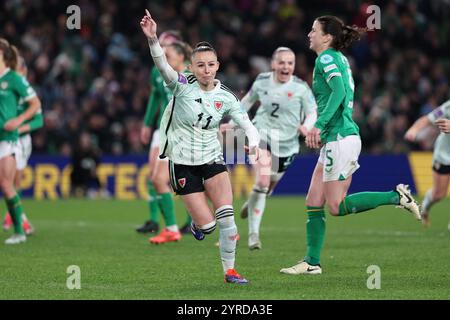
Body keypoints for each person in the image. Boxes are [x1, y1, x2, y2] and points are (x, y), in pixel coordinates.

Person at [279, 16, 421, 275]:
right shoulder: (338, 58)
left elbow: (340, 92)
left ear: (327, 37)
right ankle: (312, 262)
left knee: (336, 207)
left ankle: (395, 197)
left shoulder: (326, 58)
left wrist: (319, 124)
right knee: (313, 199)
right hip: (339, 138)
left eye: (314, 30)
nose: (309, 34)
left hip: (339, 139)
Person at [140, 9, 260, 283]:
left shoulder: (226, 96)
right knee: (207, 226)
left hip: (212, 160)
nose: (206, 70)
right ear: (191, 68)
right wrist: (152, 39)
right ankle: (197, 223)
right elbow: (162, 65)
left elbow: (247, 123)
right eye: (201, 65)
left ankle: (230, 271)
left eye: (211, 64)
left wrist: (253, 144)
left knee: (227, 217)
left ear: (217, 65)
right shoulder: (181, 85)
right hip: (182, 162)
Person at [230, 47, 317, 250]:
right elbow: (246, 102)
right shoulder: (262, 81)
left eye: (290, 63)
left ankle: (252, 201)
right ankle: (253, 235)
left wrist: (306, 126)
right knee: (261, 179)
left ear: (294, 66)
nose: (285, 66)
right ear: (273, 64)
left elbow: (313, 112)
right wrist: (235, 124)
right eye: (282, 62)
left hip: (287, 145)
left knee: (266, 188)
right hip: (262, 136)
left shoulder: (301, 88)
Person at [137, 30, 192, 236]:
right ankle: (159, 222)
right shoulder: (157, 71)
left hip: (184, 132)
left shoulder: (190, 73)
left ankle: (190, 222)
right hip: (164, 129)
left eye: (166, 47)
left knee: (191, 179)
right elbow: (154, 97)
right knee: (156, 177)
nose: (161, 49)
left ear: (179, 51)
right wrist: (146, 123)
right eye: (160, 45)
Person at [0, 38, 41, 244]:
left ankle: (19, 229)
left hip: (9, 140)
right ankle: (19, 225)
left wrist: (18, 121)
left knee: (8, 185)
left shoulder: (14, 79)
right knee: (8, 185)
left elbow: (36, 108)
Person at [405, 100, 450, 228]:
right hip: (445, 156)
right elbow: (427, 119)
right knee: (439, 194)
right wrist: (414, 129)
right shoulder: (448, 107)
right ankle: (425, 207)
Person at [70, 132, 103, 198]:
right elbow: (75, 167)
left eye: (87, 140)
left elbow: (97, 164)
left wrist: (94, 169)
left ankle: (99, 192)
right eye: (84, 140)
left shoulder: (93, 153)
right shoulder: (76, 152)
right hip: (78, 179)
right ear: (80, 141)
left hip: (89, 180)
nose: (85, 142)